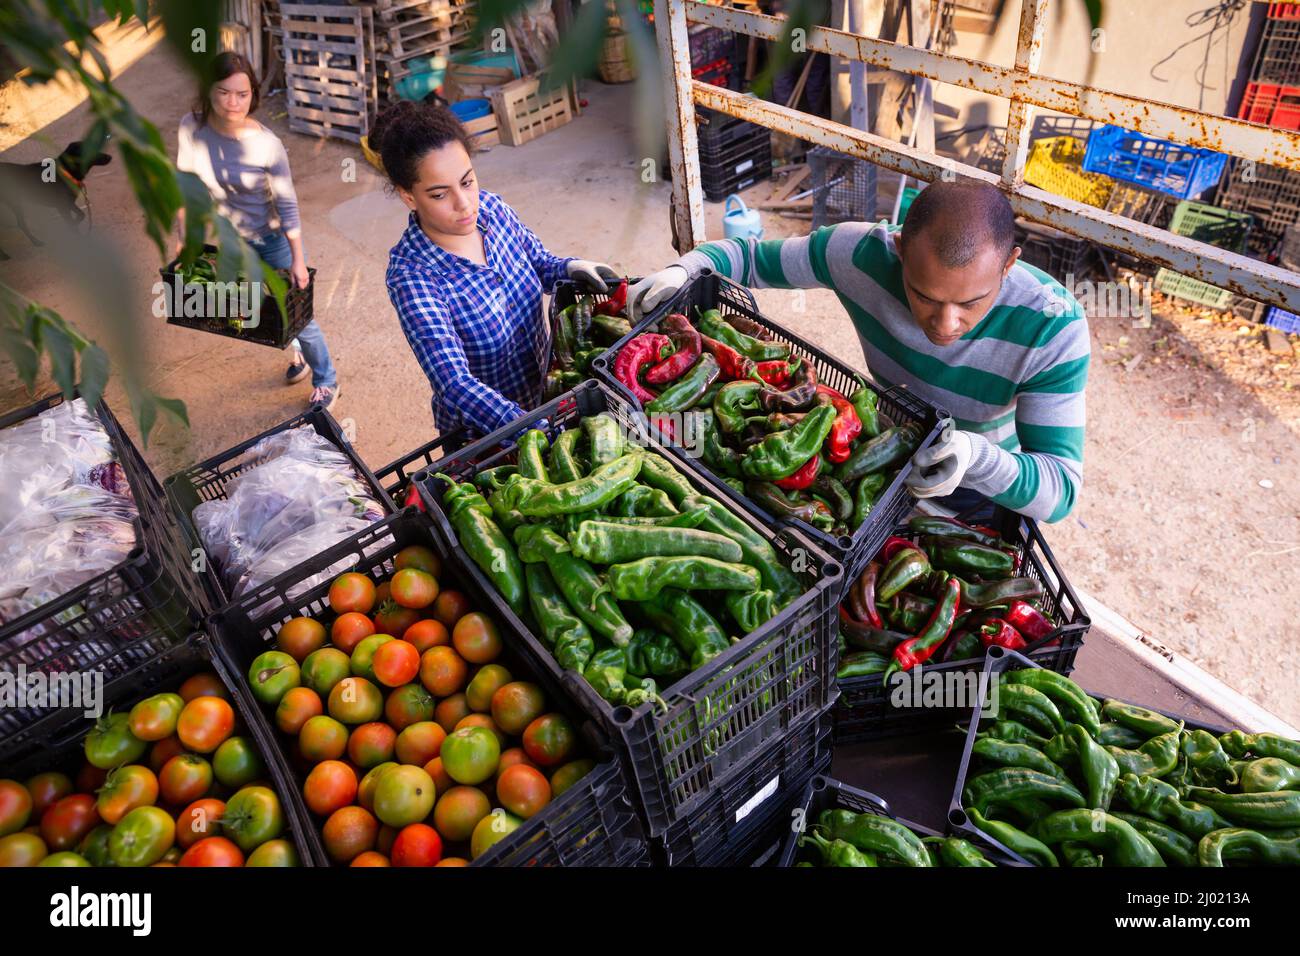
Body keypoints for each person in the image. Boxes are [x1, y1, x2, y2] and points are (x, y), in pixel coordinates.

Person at [629, 180, 1090, 523]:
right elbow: (751, 258)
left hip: (983, 489)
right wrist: (685, 270)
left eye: (971, 302)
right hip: (878, 455)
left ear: (1010, 263)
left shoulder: (1054, 327)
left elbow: (1062, 491)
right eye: (925, 296)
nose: (946, 324)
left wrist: (975, 456)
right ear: (899, 249)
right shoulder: (857, 255)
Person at [375, 101, 617, 445]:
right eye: (440, 194)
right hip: (484, 435)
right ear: (409, 197)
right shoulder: (413, 275)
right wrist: (534, 430)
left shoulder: (492, 210)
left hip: (546, 395)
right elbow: (454, 383)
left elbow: (541, 264)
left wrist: (570, 267)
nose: (464, 204)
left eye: (467, 181)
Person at [175, 51, 340, 410]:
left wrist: (297, 259)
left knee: (297, 314)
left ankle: (327, 379)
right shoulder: (192, 127)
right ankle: (297, 355)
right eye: (223, 92)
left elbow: (287, 202)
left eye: (242, 94)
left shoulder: (267, 144)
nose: (233, 102)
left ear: (253, 95)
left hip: (272, 240)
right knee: (259, 311)